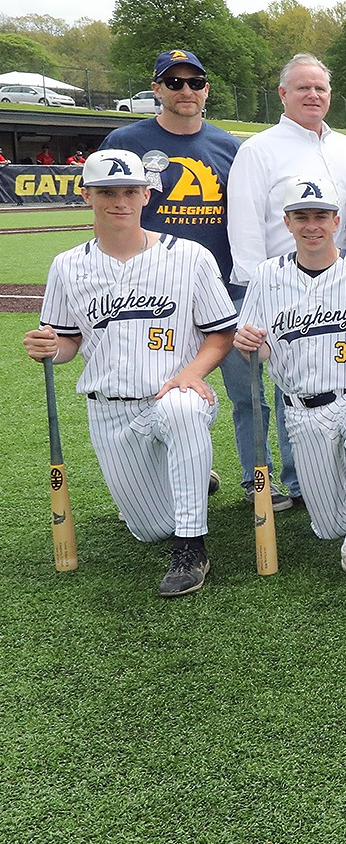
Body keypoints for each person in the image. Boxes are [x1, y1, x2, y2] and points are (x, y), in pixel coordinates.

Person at [25, 149, 238, 596]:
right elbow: (66, 344)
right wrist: (48, 347)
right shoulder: (68, 265)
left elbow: (221, 334)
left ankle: (192, 548)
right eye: (106, 191)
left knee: (181, 414)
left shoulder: (190, 256)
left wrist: (193, 373)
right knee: (150, 529)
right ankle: (194, 477)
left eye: (129, 191)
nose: (118, 201)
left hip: (173, 396)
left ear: (146, 194)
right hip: (111, 410)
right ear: (87, 195)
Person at [232, 177, 346, 587]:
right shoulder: (266, 275)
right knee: (327, 525)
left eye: (320, 216)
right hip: (299, 408)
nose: (311, 225)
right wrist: (249, 344)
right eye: (301, 217)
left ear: (335, 221)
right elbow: (256, 349)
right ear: (288, 222)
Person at [103, 50, 256, 501]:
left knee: (246, 393)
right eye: (174, 83)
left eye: (195, 82)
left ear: (206, 89)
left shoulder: (230, 146)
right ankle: (184, 471)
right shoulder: (125, 140)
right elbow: (110, 210)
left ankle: (255, 478)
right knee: (157, 391)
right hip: (152, 291)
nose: (185, 90)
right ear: (156, 89)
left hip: (222, 290)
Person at [228, 53, 346, 509]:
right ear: (283, 94)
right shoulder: (259, 148)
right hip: (281, 282)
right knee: (284, 384)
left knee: (331, 378)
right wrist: (256, 294)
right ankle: (283, 479)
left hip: (339, 281)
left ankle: (332, 471)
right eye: (303, 88)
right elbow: (245, 224)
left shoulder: (345, 147)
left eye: (321, 89)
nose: (313, 95)